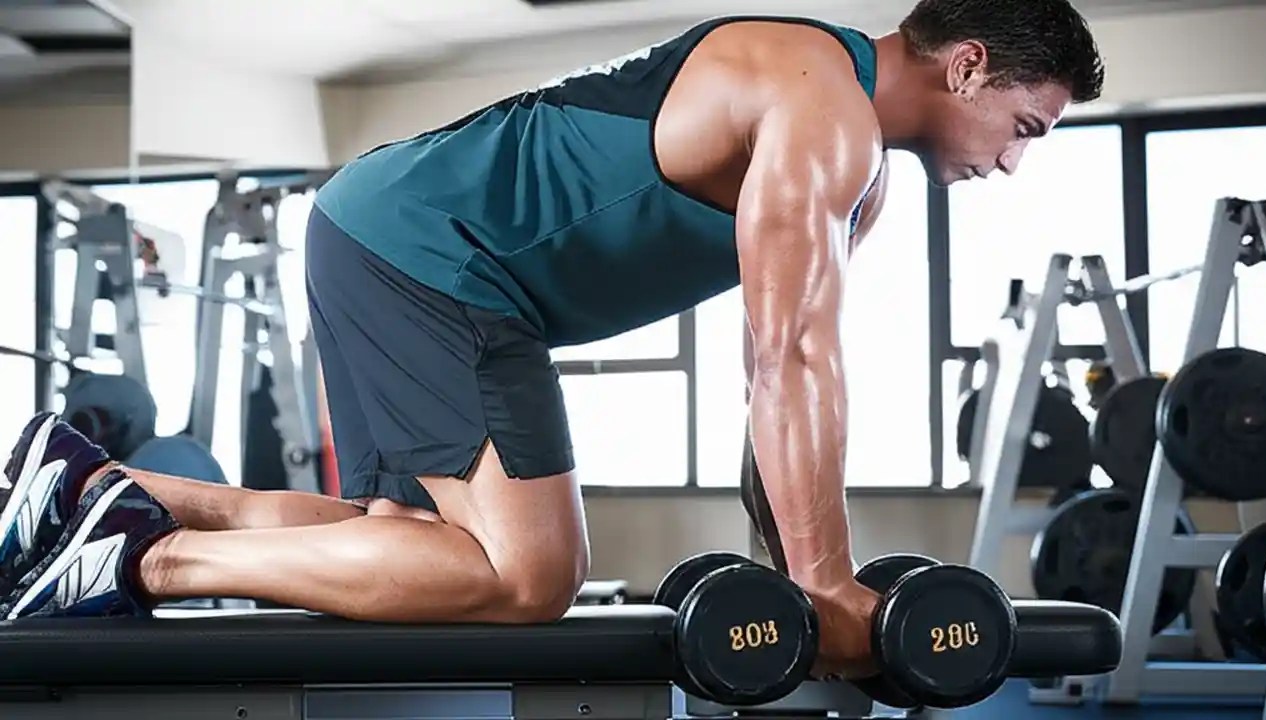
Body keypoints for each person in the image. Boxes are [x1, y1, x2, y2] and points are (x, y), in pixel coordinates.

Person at [0, 0, 1103, 679]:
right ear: (964, 66)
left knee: (405, 539)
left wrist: (797, 584)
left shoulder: (853, 173)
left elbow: (769, 387)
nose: (1010, 160)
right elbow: (791, 363)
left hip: (390, 227)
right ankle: (143, 562)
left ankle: (88, 487)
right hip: (438, 251)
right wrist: (824, 583)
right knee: (530, 576)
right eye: (1022, 129)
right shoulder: (824, 116)